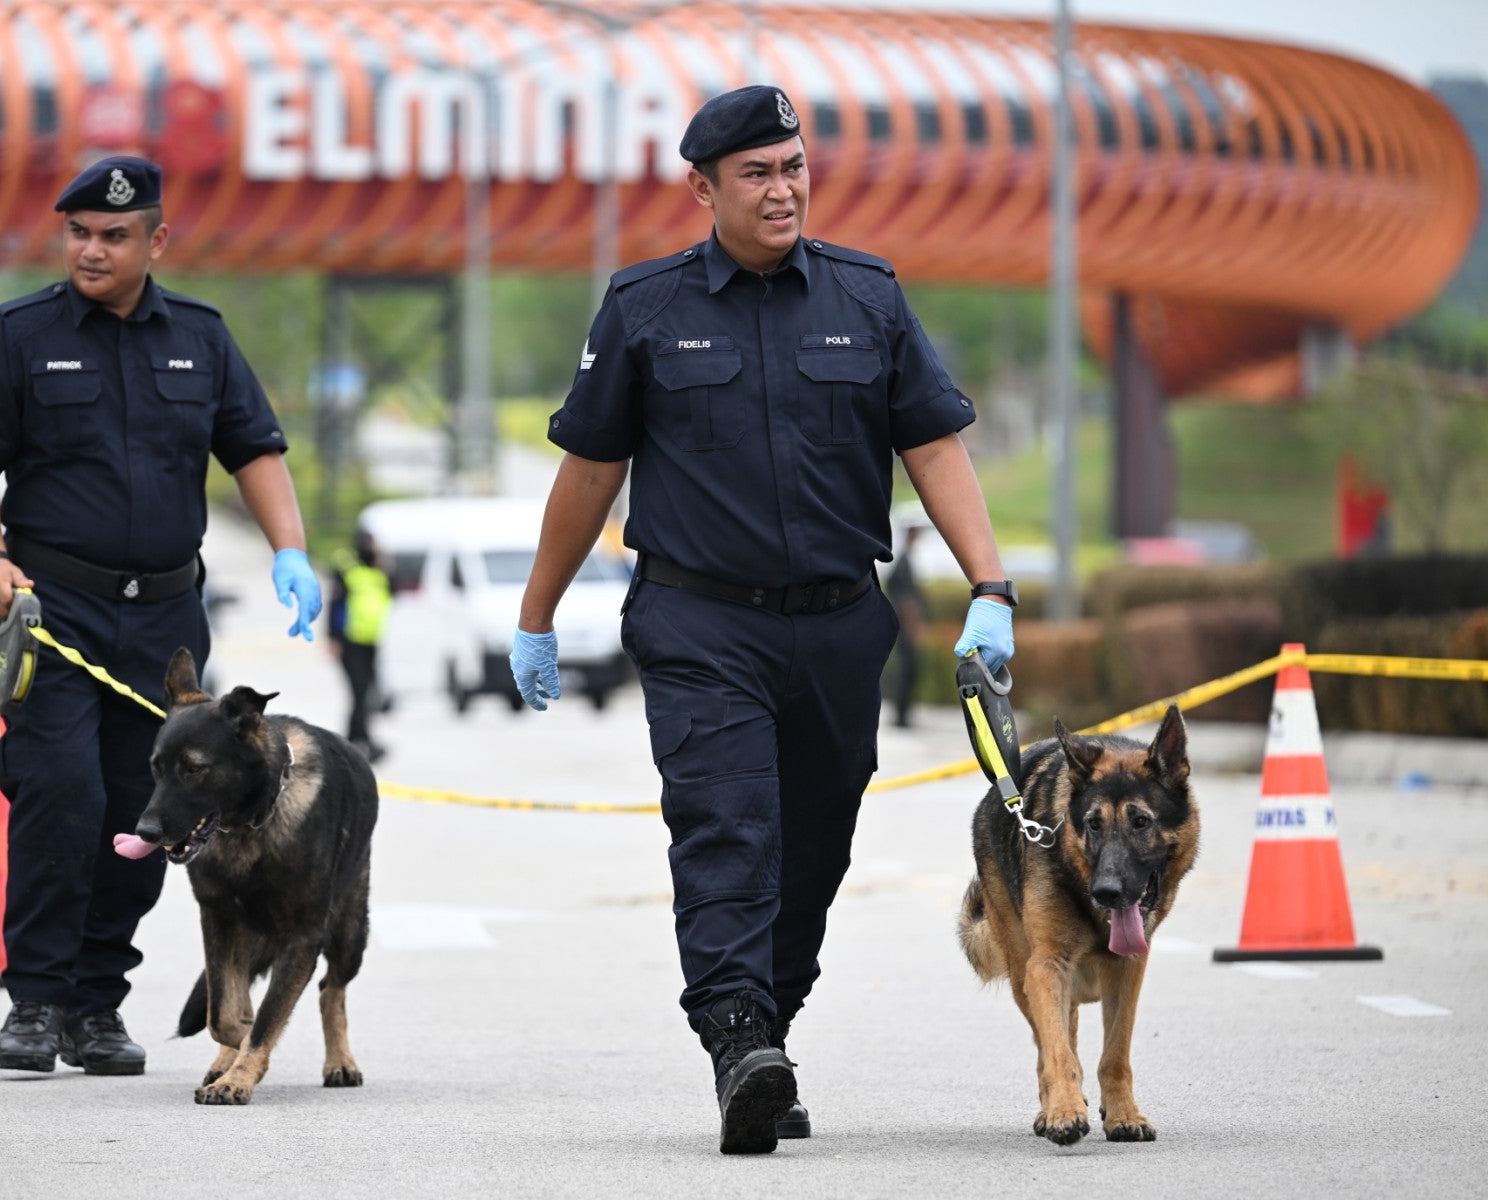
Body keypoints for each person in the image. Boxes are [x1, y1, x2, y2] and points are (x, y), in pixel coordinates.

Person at [509, 86, 1017, 1155]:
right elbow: (591, 469)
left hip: (839, 627)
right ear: (704, 188)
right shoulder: (644, 309)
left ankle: (769, 1033)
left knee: (813, 849)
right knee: (727, 828)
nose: (781, 189)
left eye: (792, 167)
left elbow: (931, 446)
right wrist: (538, 613)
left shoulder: (868, 298)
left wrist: (991, 589)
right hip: (700, 624)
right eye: (756, 173)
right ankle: (737, 1037)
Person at [0, 155, 323, 1077]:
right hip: (57, 612)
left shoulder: (200, 337)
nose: (93, 249)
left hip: (164, 625)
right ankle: (35, 1000)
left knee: (145, 814)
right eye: (79, 232)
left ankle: (96, 1002)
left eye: (114, 235)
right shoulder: (23, 332)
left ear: (155, 241)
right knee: (60, 795)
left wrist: (291, 549)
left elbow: (255, 450)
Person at [328, 530, 392, 762]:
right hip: (350, 642)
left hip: (371, 642)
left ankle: (354, 741)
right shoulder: (347, 570)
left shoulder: (378, 571)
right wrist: (333, 638)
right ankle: (356, 742)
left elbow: (393, 591)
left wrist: (384, 563)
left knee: (365, 693)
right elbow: (335, 605)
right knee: (359, 693)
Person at [880, 522, 929, 728]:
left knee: (910, 669)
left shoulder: (906, 559)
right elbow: (900, 593)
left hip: (907, 622)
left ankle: (903, 715)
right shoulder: (902, 560)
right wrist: (907, 616)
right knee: (907, 669)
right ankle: (901, 716)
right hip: (905, 623)